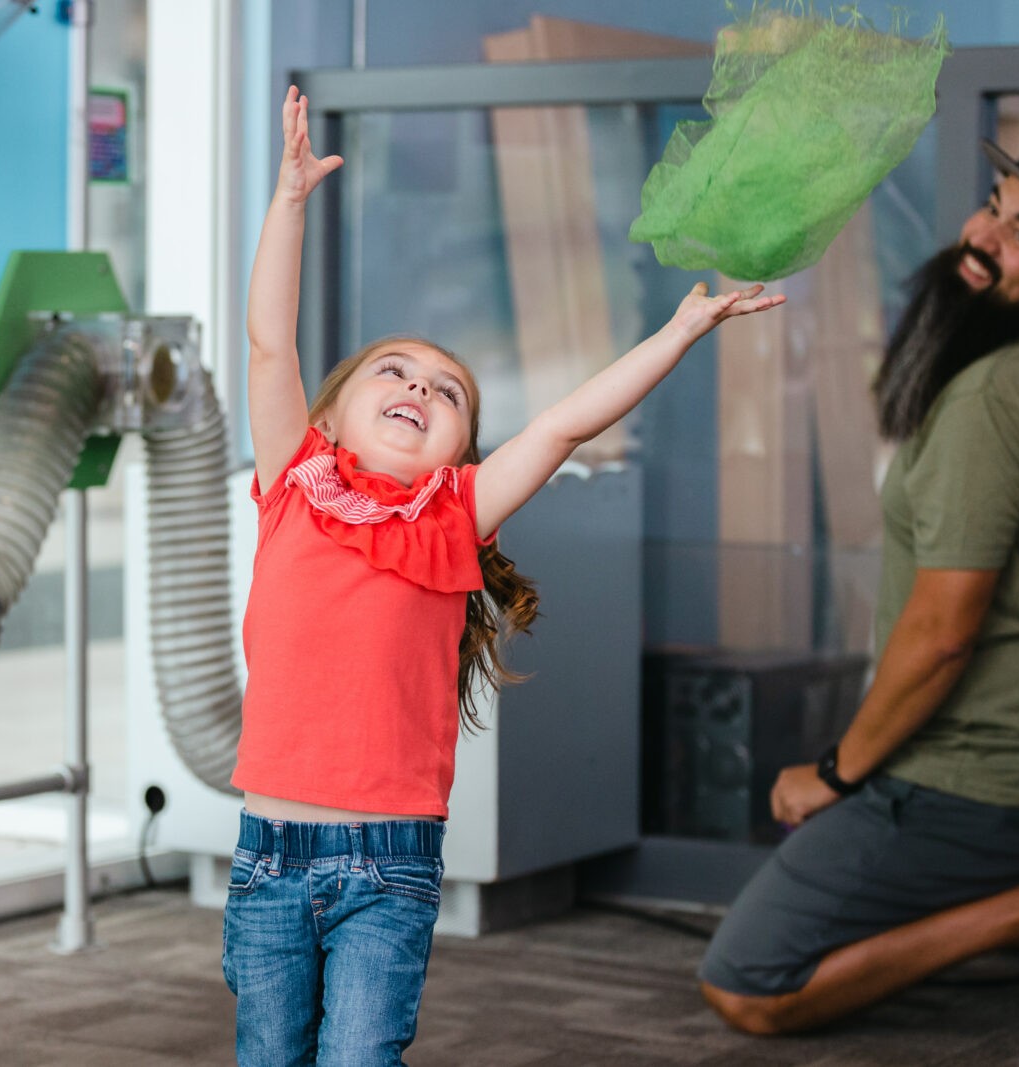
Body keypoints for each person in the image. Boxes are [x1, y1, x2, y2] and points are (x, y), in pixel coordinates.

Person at [223, 85, 783, 1066]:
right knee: (270, 1054)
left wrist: (679, 332)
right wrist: (289, 200)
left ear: (455, 450)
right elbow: (269, 341)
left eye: (444, 391)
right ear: (335, 409)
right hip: (270, 849)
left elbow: (564, 422)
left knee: (359, 1055)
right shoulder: (292, 485)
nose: (417, 388)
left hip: (390, 861)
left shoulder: (453, 514)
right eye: (393, 371)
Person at [700, 131, 1019, 1045]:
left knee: (749, 983)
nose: (982, 235)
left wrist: (840, 773)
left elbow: (941, 635)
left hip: (981, 778)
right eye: (995, 206)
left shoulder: (999, 400)